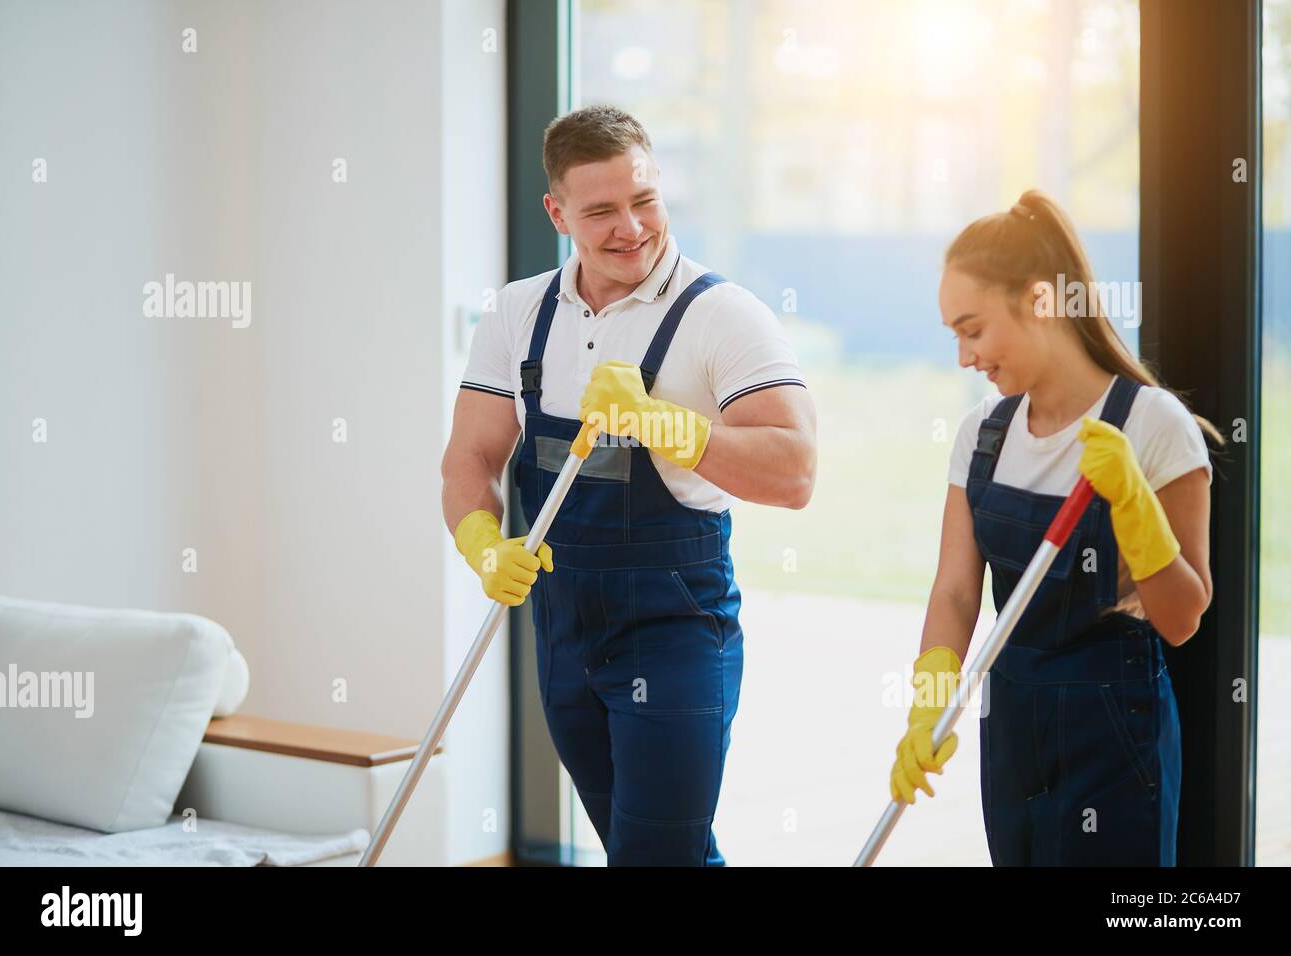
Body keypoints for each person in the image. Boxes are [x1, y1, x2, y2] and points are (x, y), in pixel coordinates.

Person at [441, 104, 817, 865]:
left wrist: (665, 425)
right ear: (557, 212)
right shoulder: (519, 312)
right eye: (602, 211)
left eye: (644, 200)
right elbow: (469, 459)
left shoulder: (721, 315)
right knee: (637, 847)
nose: (632, 228)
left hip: (675, 624)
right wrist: (482, 545)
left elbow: (794, 471)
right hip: (563, 628)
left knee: (657, 855)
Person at [889, 189, 1221, 865]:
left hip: (1116, 737)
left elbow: (1183, 618)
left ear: (1041, 302)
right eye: (955, 334)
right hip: (1012, 730)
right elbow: (955, 592)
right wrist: (928, 702)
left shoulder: (1152, 425)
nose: (964, 357)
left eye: (973, 329)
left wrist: (1132, 502)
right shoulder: (982, 434)